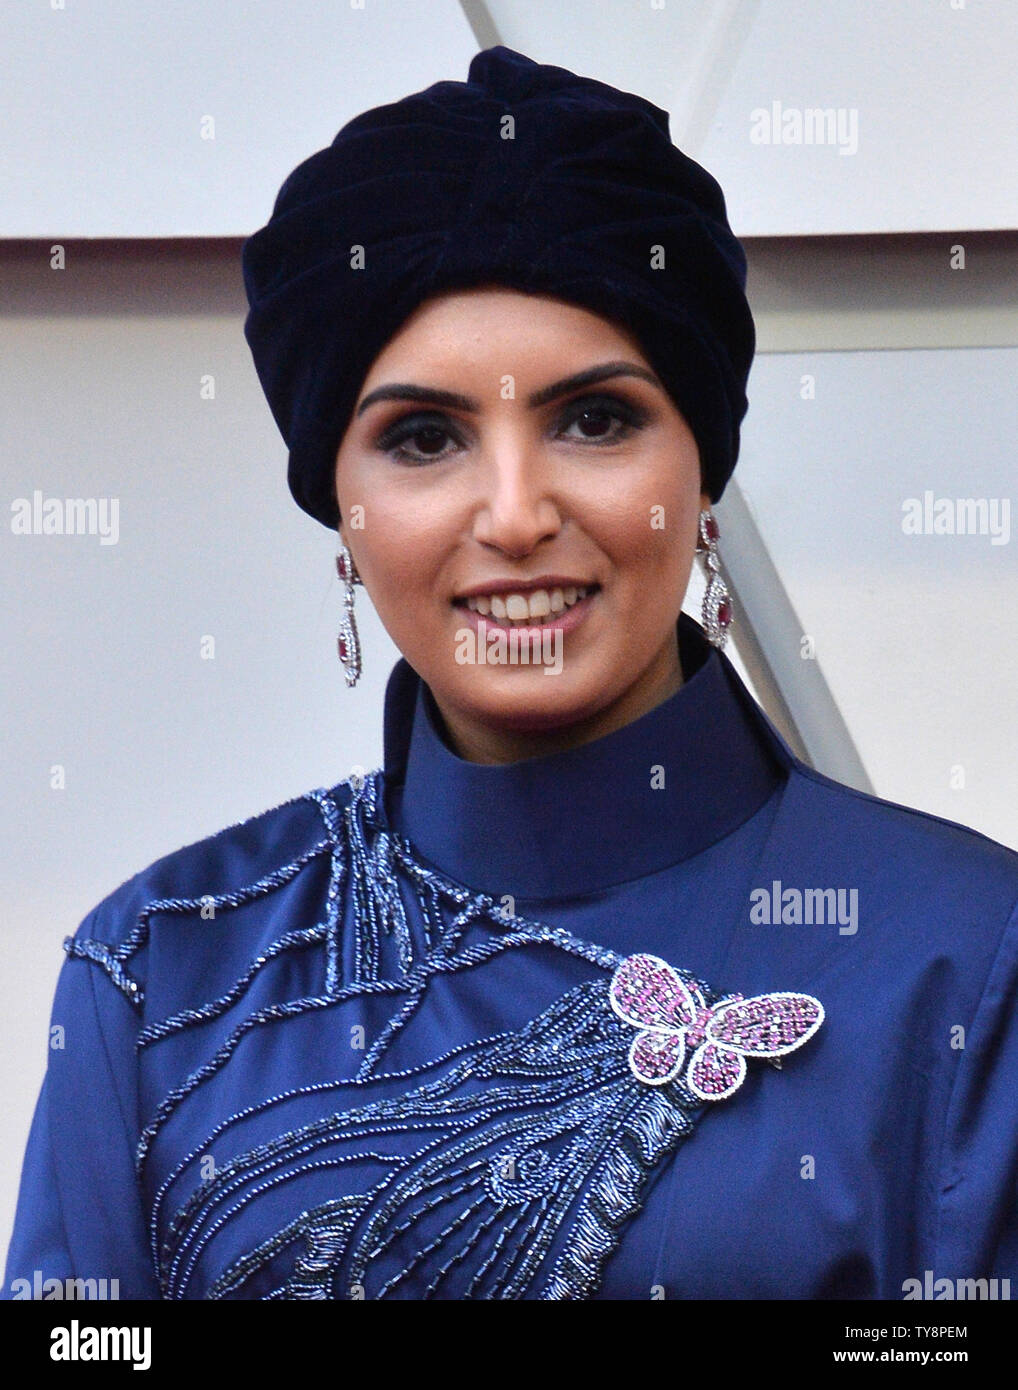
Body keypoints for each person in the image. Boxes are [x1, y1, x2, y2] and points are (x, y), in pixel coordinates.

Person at [5, 45, 1017, 1302]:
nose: (516, 511)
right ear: (344, 506)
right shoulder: (159, 980)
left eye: (594, 419)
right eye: (423, 438)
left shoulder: (964, 956)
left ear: (700, 477)